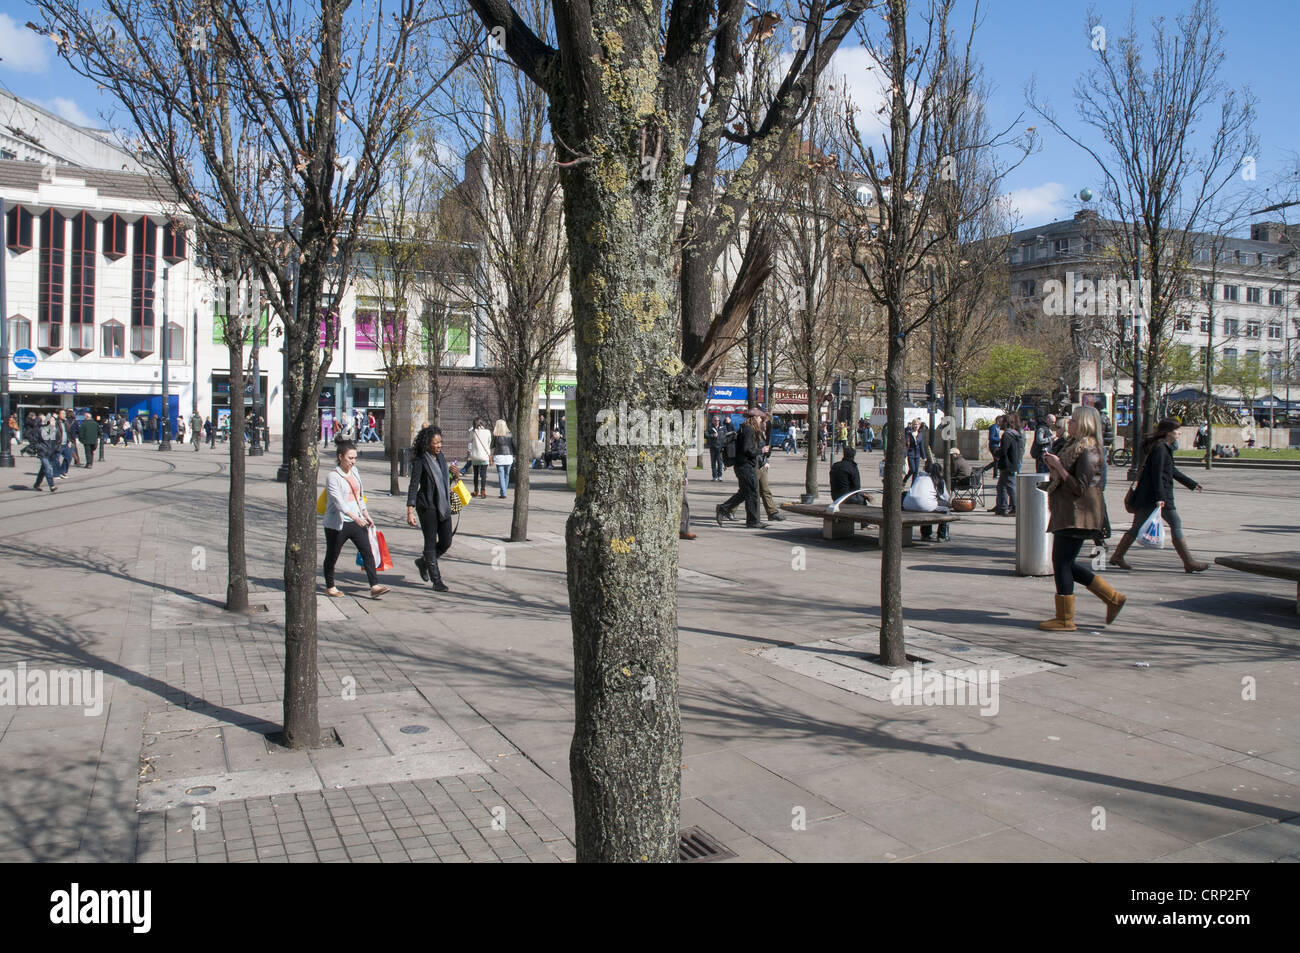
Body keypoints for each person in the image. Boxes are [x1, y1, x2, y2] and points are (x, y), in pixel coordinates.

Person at [1036, 405, 1126, 630]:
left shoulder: (1089, 450)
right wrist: (1054, 470)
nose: (1070, 424)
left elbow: (1080, 487)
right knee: (1065, 563)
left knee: (1062, 563)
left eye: (1074, 421)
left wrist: (1058, 466)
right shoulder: (1074, 447)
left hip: (1079, 514)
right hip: (1070, 512)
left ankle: (1066, 619)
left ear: (1085, 424)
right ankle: (1112, 598)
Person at [1109, 418, 1208, 573]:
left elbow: (1171, 470)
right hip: (1157, 496)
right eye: (1177, 430)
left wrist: (1192, 484)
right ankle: (1189, 562)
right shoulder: (1161, 448)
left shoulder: (1162, 447)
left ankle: (1117, 556)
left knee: (1137, 527)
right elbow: (1157, 475)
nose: (1179, 433)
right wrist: (1160, 498)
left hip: (1151, 496)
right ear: (1169, 432)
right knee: (1175, 523)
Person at [322, 438, 389, 598]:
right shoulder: (333, 477)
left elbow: (359, 496)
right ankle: (330, 585)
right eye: (350, 458)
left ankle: (374, 585)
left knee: (367, 551)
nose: (353, 461)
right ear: (340, 457)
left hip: (357, 520)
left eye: (355, 458)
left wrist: (366, 514)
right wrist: (355, 517)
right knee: (332, 554)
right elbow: (339, 503)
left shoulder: (355, 471)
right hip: (338, 524)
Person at [406, 425, 461, 592]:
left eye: (440, 442)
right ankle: (437, 581)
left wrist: (454, 474)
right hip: (427, 506)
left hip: (443, 505)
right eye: (435, 443)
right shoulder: (420, 460)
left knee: (446, 541)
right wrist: (410, 510)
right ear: (427, 443)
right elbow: (413, 484)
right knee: (430, 543)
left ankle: (422, 562)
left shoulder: (441, 457)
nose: (439, 446)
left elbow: (444, 481)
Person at [716, 410, 766, 528]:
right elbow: (747, 449)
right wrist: (761, 451)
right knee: (752, 492)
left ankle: (723, 509)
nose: (761, 421)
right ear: (754, 418)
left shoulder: (745, 428)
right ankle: (752, 521)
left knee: (745, 492)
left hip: (742, 465)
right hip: (745, 465)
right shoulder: (749, 430)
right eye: (760, 418)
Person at [992, 412, 1023, 515]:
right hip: (1012, 463)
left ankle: (1014, 507)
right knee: (1002, 486)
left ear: (1006, 423)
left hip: (1007, 464)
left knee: (1009, 486)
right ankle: (1002, 506)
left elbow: (1004, 449)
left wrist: (996, 451)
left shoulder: (1007, 435)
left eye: (1002, 422)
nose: (1000, 424)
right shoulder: (1015, 434)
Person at [24, 413, 57, 492]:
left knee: (43, 470)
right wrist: (40, 448)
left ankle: (36, 484)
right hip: (43, 452)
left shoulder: (52, 429)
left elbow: (54, 441)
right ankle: (52, 486)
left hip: (50, 452)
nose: (53, 422)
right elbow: (35, 441)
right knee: (48, 468)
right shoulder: (39, 429)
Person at [490, 419, 515, 498]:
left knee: (501, 474)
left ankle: (503, 492)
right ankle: (504, 491)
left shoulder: (495, 435)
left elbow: (492, 446)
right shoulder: (510, 434)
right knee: (507, 474)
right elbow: (514, 445)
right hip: (508, 456)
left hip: (499, 456)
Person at [468, 418, 492, 498]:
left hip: (475, 456)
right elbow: (489, 442)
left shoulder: (473, 432)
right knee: (484, 474)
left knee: (476, 474)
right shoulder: (487, 432)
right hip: (484, 456)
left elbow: (469, 441)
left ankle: (475, 490)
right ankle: (483, 491)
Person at [905, 418, 928, 482]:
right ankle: (904, 480)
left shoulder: (920, 434)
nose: (916, 426)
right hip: (910, 454)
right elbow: (906, 444)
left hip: (917, 455)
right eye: (914, 424)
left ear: (919, 425)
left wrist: (924, 457)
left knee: (916, 471)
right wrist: (905, 454)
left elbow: (921, 446)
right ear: (912, 425)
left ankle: (913, 487)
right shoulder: (909, 433)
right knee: (912, 469)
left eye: (917, 424)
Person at [706, 415, 723, 481]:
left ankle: (720, 476)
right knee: (713, 463)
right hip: (713, 447)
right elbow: (705, 434)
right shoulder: (710, 428)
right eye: (715, 420)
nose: (716, 422)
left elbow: (726, 435)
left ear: (719, 421)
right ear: (713, 421)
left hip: (720, 448)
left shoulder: (722, 428)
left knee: (720, 462)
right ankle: (714, 476)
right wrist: (712, 435)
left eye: (718, 420)